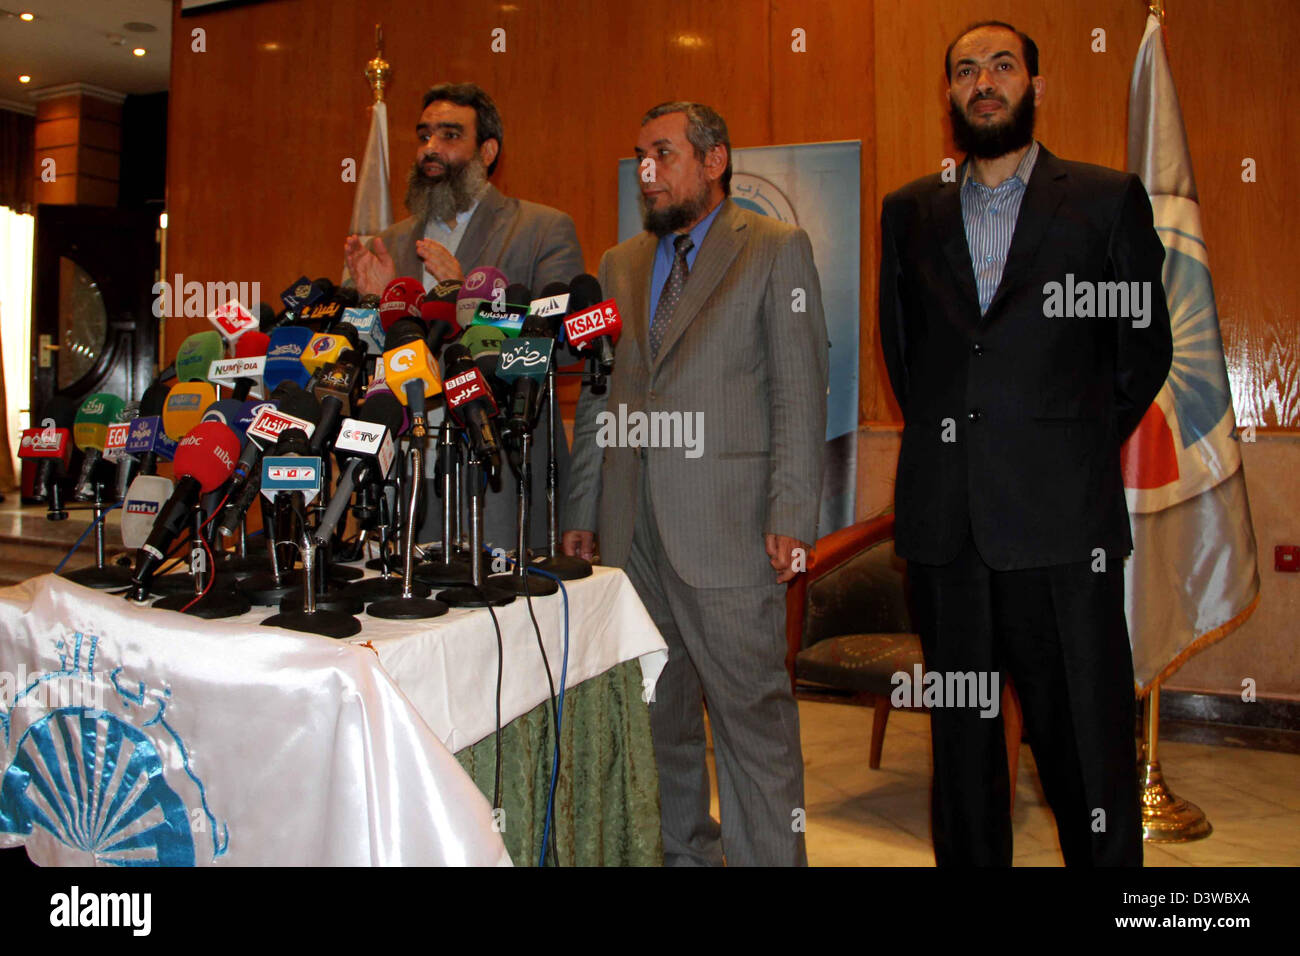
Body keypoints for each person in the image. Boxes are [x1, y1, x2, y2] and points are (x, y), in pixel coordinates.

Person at [878, 20, 1173, 866]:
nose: (983, 82)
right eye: (965, 69)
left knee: (1085, 748)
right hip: (948, 538)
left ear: (1034, 86)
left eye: (1001, 66)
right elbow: (909, 356)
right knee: (965, 764)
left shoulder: (1105, 198)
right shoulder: (910, 212)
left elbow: (1140, 349)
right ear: (950, 95)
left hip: (1061, 535)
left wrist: (1061, 443)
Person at [564, 102, 829, 866]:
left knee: (754, 730)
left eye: (665, 155)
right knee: (658, 722)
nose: (647, 172)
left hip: (731, 533)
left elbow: (798, 391)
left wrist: (791, 513)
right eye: (641, 157)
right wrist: (585, 506)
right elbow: (604, 398)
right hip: (633, 537)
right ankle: (684, 855)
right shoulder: (620, 264)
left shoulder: (776, 250)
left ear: (715, 161)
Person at [344, 82, 584, 551]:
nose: (430, 149)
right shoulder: (391, 242)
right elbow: (375, 362)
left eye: (450, 135)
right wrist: (373, 307)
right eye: (424, 135)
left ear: (487, 151)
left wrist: (469, 294)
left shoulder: (541, 229)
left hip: (496, 470)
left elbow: (563, 347)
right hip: (409, 467)